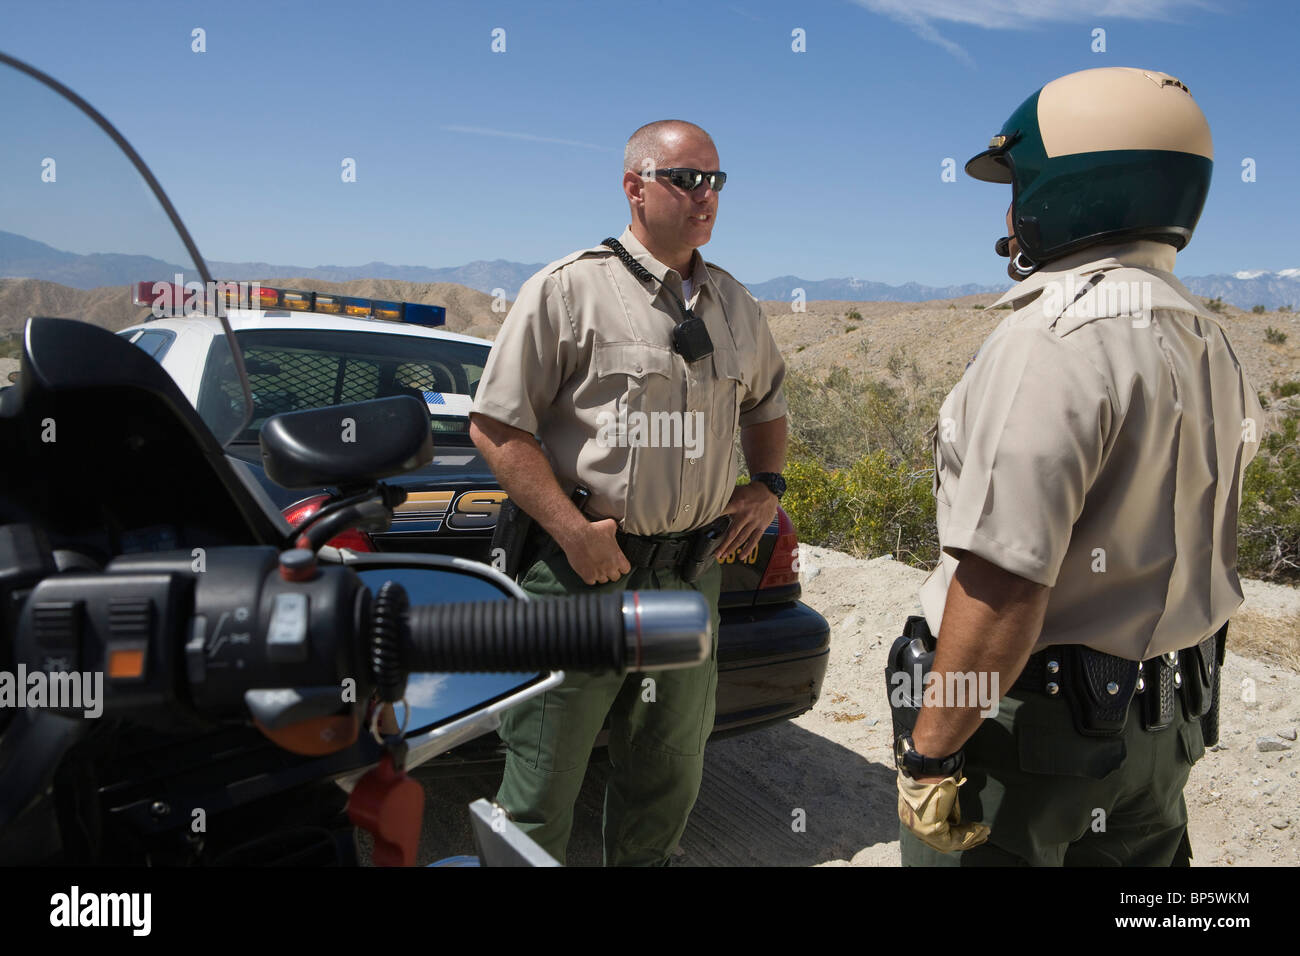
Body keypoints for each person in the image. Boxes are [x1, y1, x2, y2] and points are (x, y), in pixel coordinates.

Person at [893, 67, 1265, 866]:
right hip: (1163, 729)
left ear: (1075, 184)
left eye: (1021, 182)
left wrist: (930, 753)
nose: (1009, 209)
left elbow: (1003, 587)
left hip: (1037, 750)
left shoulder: (1049, 342)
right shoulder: (1210, 340)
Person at [468, 119, 789, 866]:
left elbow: (767, 406)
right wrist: (571, 529)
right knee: (543, 779)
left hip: (687, 577)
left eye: (714, 180)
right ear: (634, 186)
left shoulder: (736, 306)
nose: (703, 195)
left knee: (667, 774)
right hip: (579, 576)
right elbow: (495, 426)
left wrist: (765, 486)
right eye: (684, 178)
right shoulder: (569, 289)